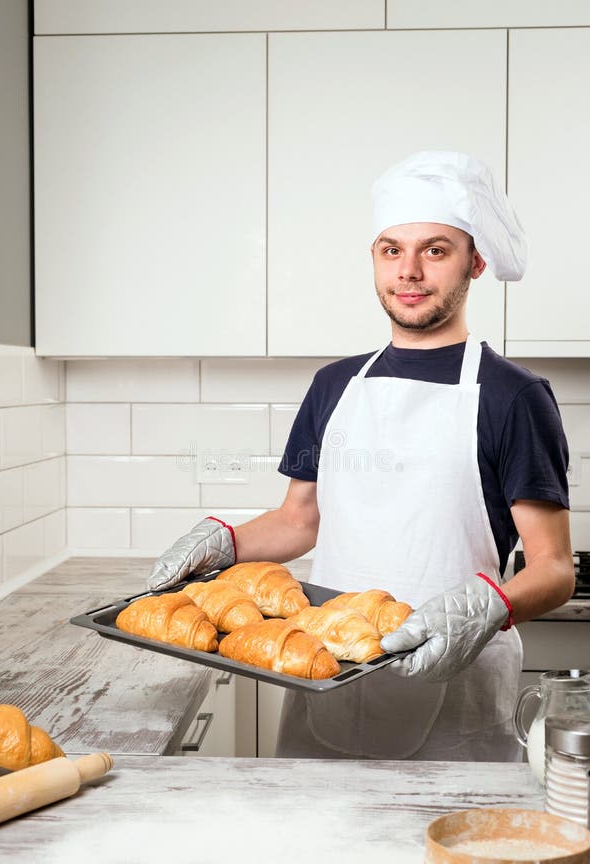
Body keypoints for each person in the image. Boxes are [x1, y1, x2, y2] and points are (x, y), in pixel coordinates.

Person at [148, 151, 575, 761]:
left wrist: (489, 606)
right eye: (390, 250)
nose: (409, 271)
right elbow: (299, 520)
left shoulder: (514, 396)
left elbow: (555, 568)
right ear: (373, 260)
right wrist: (223, 543)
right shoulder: (334, 385)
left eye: (435, 249)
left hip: (455, 685)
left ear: (474, 263)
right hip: (325, 671)